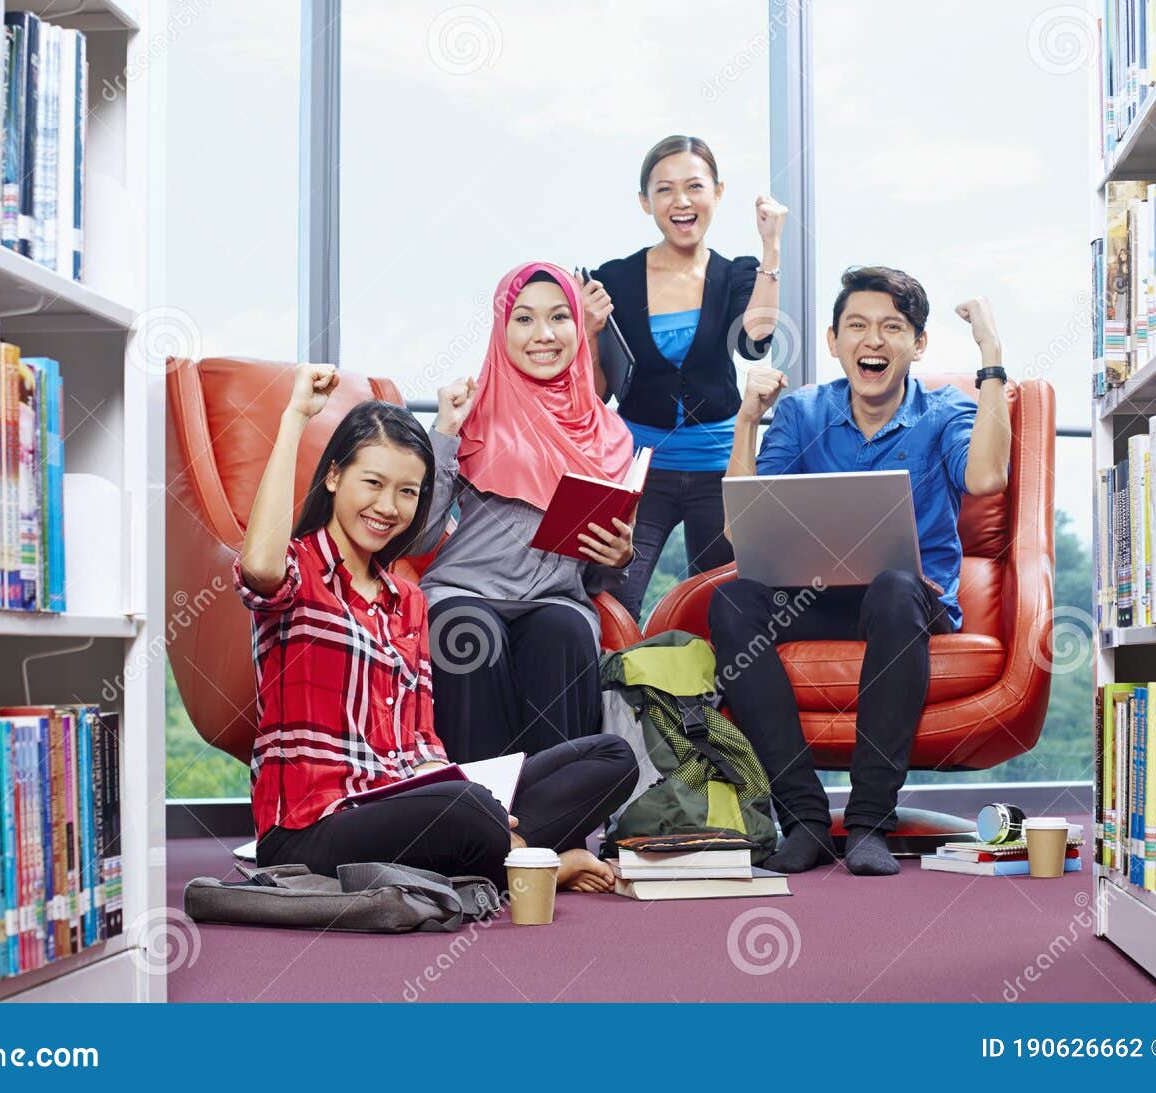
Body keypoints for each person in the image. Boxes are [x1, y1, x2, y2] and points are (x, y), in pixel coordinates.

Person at [235, 368, 638, 893]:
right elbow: (259, 566)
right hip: (313, 825)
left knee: (609, 758)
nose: (388, 507)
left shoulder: (409, 602)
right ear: (334, 477)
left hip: (409, 805)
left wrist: (479, 795)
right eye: (373, 483)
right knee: (464, 808)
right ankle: (536, 864)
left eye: (407, 492)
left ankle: (492, 851)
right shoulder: (297, 571)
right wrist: (294, 419)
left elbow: (423, 742)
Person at [707, 266, 1012, 877]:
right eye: (858, 327)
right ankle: (805, 820)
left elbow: (986, 479)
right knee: (732, 601)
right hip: (811, 597)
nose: (872, 341)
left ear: (917, 344)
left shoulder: (947, 408)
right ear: (833, 340)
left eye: (891, 328)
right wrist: (746, 419)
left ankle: (872, 820)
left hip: (904, 604)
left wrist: (992, 358)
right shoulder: (800, 414)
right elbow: (743, 531)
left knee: (895, 586)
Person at [413, 261, 638, 768]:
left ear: (580, 328)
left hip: (555, 599)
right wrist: (445, 432)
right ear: (501, 327)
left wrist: (619, 555)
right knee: (467, 632)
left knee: (565, 634)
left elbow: (596, 576)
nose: (544, 335)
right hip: (464, 591)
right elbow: (419, 538)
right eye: (524, 319)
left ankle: (555, 831)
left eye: (559, 317)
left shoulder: (610, 434)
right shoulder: (472, 408)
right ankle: (480, 822)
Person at [580, 134, 788, 620]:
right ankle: (617, 696)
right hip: (639, 468)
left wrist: (770, 247)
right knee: (614, 602)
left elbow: (754, 341)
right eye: (665, 189)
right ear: (644, 201)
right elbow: (597, 394)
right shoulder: (615, 278)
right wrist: (590, 333)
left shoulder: (737, 272)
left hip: (719, 467)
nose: (681, 201)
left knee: (724, 609)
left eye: (694, 187)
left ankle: (706, 698)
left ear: (717, 192)